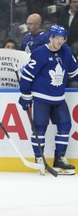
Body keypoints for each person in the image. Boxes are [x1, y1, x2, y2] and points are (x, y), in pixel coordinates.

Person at [18, 25, 77, 176]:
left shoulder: (66, 51)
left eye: (62, 39)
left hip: (59, 98)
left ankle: (59, 159)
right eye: (56, 38)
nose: (59, 42)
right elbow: (27, 76)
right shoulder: (40, 53)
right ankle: (39, 159)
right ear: (50, 38)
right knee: (39, 128)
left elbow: (74, 72)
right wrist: (25, 94)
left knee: (65, 125)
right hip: (41, 98)